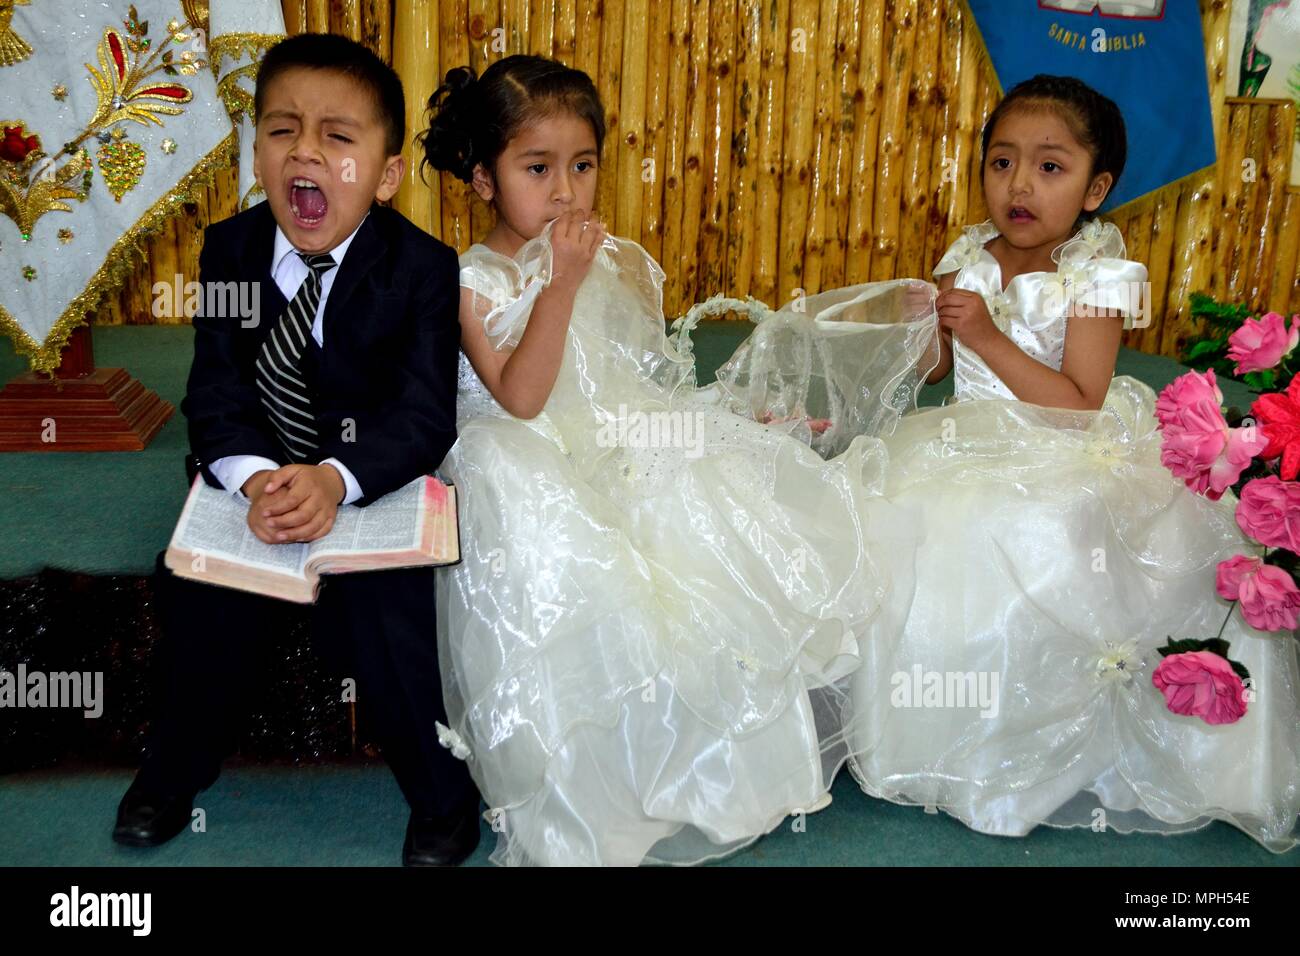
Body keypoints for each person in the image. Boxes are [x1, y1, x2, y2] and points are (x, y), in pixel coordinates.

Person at [420, 54, 936, 865]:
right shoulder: (472, 281)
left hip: (615, 433)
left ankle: (705, 770)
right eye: (537, 168)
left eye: (583, 167)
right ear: (484, 180)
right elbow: (521, 396)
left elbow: (635, 377)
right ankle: (601, 782)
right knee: (584, 557)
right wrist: (558, 286)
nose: (566, 192)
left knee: (713, 506)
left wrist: (718, 417)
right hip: (522, 454)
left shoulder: (603, 258)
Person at [843, 74, 1300, 852]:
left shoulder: (1097, 276)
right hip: (965, 440)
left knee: (1015, 531)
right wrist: (923, 330)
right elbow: (932, 373)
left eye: (1050, 167)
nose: (1019, 184)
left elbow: (1080, 401)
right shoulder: (966, 256)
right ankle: (930, 741)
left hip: (1061, 447)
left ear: (1097, 188)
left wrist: (987, 336)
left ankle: (1025, 755)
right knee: (898, 517)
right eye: (1000, 162)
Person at [113, 33, 481, 867]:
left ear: (385, 175)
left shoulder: (421, 268)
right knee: (199, 601)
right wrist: (252, 481)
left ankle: (439, 796)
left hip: (365, 488)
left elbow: (424, 415)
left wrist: (335, 479)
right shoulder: (231, 251)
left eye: (339, 138)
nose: (305, 152)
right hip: (256, 483)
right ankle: (172, 772)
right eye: (282, 130)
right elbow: (214, 392)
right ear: (258, 149)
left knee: (392, 617)